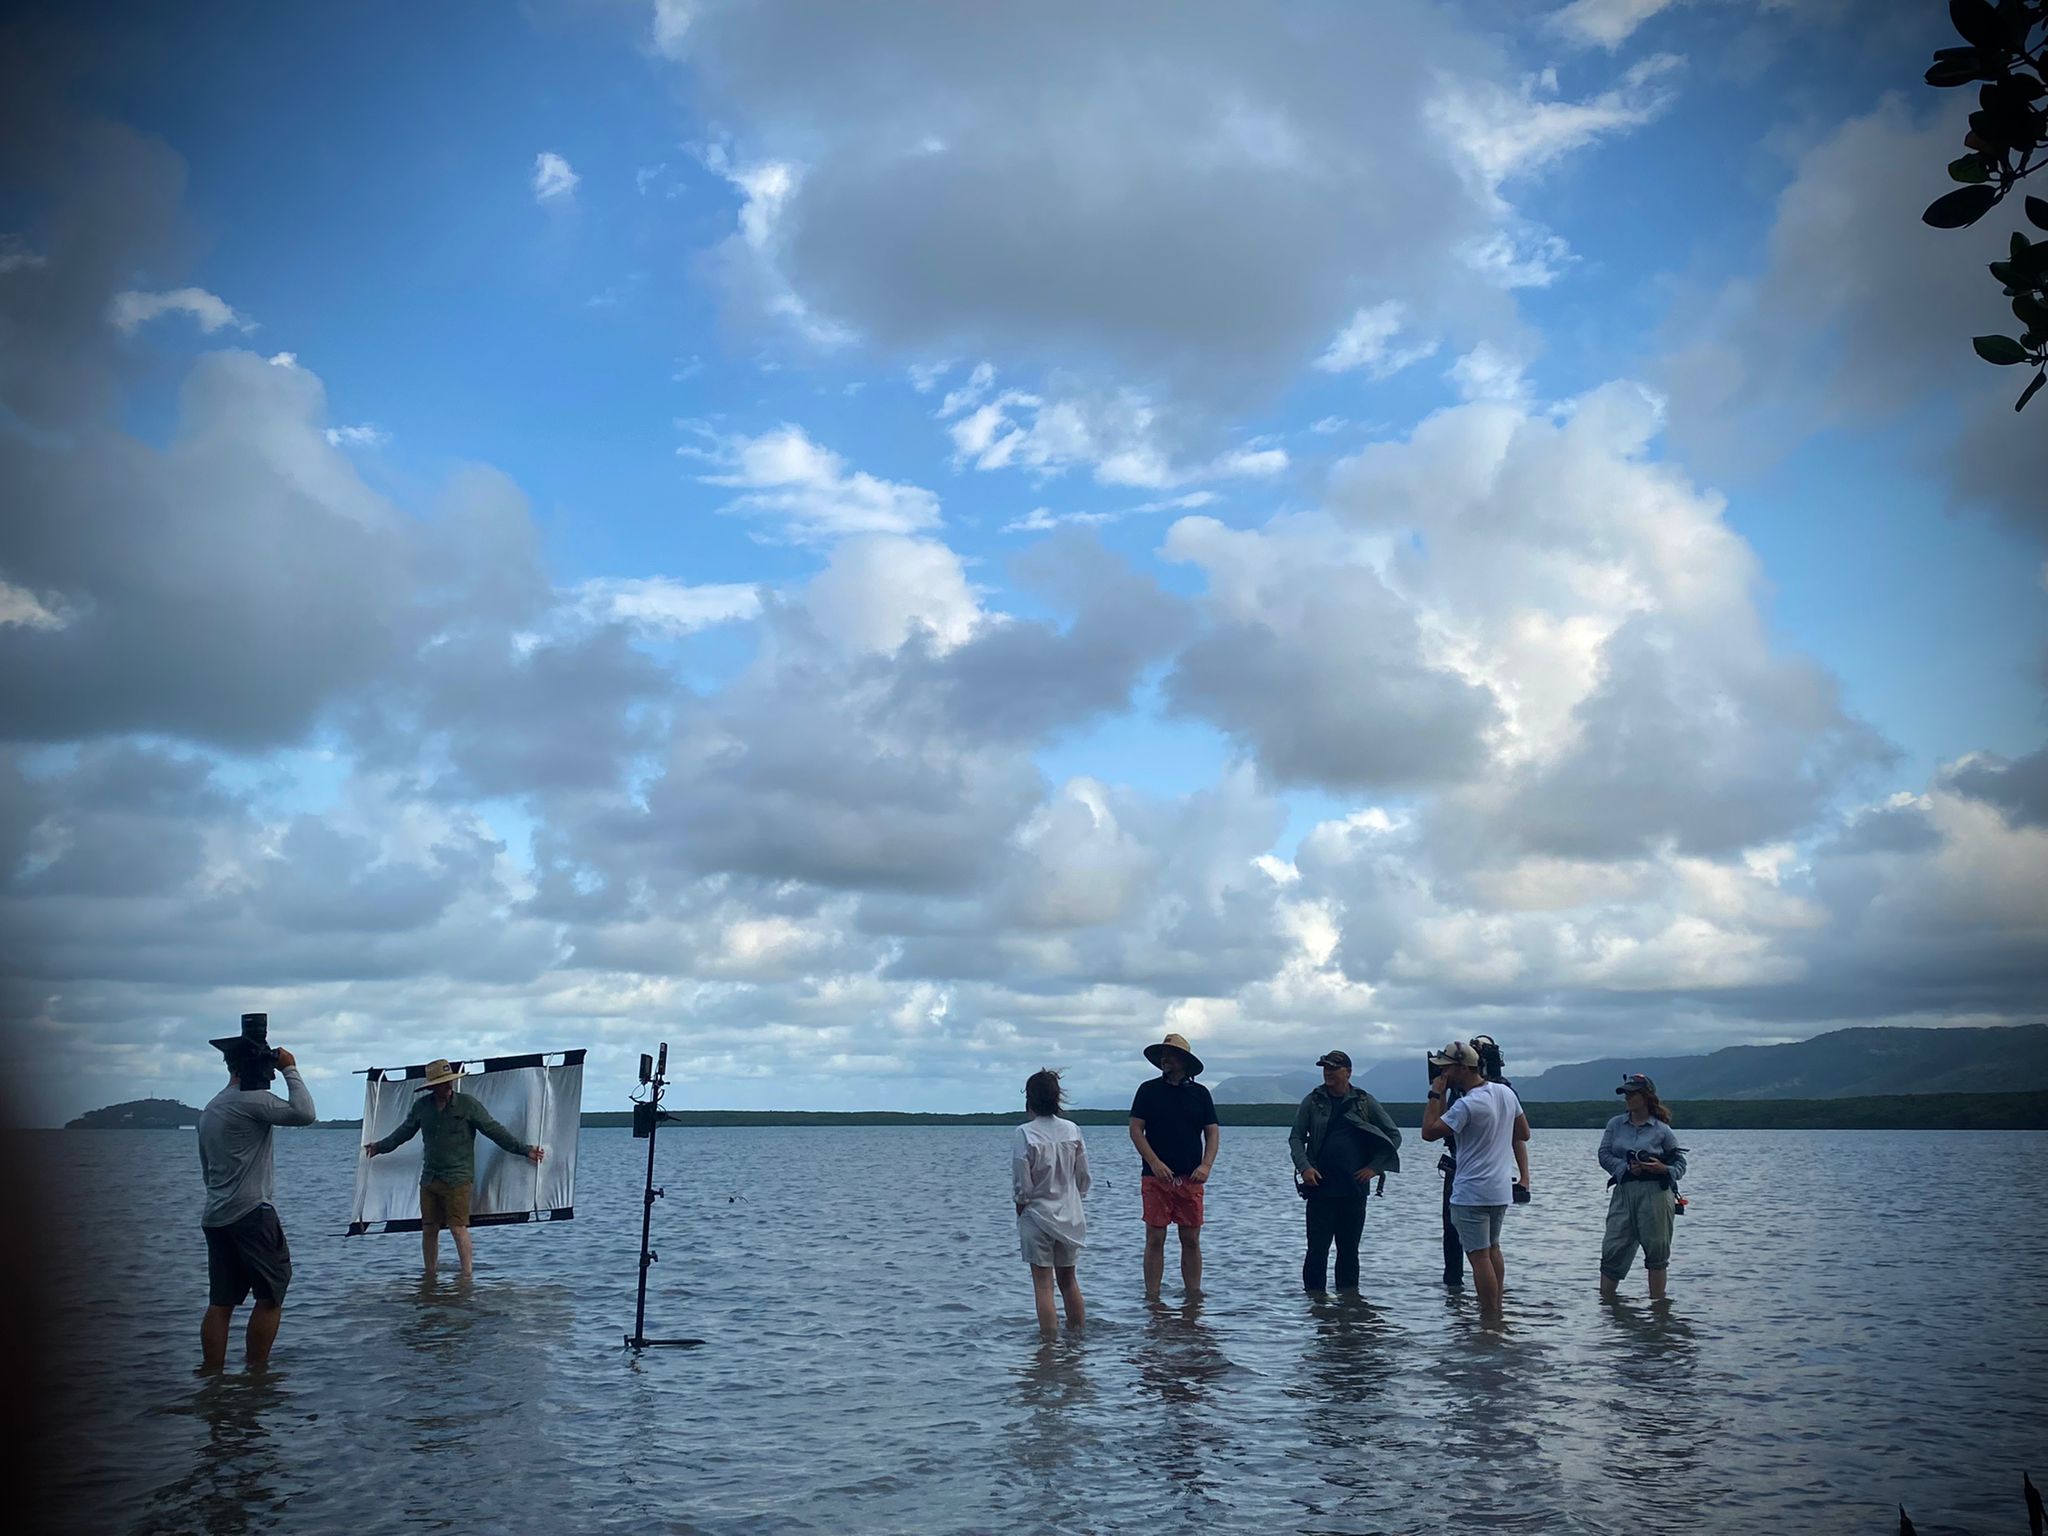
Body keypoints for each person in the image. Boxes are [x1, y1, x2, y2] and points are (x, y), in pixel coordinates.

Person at [197, 1013, 316, 1371]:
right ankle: (256, 1374)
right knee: (270, 1296)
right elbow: (304, 1113)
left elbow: (205, 1170)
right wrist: (290, 1069)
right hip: (251, 1213)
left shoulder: (212, 1109)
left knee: (221, 1303)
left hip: (216, 1216)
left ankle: (212, 1376)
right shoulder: (251, 1102)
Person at [363, 1058, 545, 1276]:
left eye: (449, 1081)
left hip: (458, 1178)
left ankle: (466, 1276)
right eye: (442, 1083)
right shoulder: (422, 1107)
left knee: (458, 1228)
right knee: (429, 1229)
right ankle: (430, 1274)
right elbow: (403, 1132)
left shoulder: (468, 1105)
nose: (447, 1086)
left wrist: (525, 1149)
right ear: (432, 1086)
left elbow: (494, 1130)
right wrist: (379, 1147)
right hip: (430, 1178)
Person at [1421, 1039, 1530, 1317]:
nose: (1443, 1074)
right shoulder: (1504, 1093)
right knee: (1493, 1249)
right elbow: (1523, 1133)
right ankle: (1498, 1311)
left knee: (1479, 1257)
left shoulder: (1468, 1104)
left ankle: (1489, 1316)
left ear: (1461, 1068)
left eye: (1446, 1068)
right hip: (1499, 1188)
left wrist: (1435, 1094)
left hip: (1471, 1191)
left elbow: (1429, 1132)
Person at [1287, 1050, 1401, 1296]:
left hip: (1354, 1190)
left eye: (1333, 1068)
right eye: (1325, 1068)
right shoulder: (1312, 1101)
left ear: (1348, 1072)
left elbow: (1393, 1135)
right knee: (1316, 1251)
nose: (1327, 1072)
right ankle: (1315, 1306)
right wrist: (1305, 1167)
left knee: (1349, 1251)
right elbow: (1296, 1137)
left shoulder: (1364, 1101)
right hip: (1320, 1189)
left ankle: (1349, 1308)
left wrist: (1375, 1167)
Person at [1128, 1031, 1219, 1302]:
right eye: (1163, 1056)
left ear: (1184, 1061)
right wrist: (1154, 1162)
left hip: (1191, 1177)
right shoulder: (1148, 1090)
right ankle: (1152, 1297)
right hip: (1155, 1178)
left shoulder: (1200, 1094)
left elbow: (1212, 1132)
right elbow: (1135, 1130)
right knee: (1155, 1238)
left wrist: (1206, 1165)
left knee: (1190, 1239)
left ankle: (1193, 1294)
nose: (1166, 1060)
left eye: (1172, 1055)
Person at [1597, 1073, 1688, 1301]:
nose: (1627, 1098)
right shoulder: (1615, 1125)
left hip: (1656, 1194)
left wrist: (1662, 1169)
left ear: (1646, 1096)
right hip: (1624, 1191)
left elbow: (1680, 1163)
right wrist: (1625, 1168)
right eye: (1626, 1094)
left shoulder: (1662, 1130)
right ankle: (1606, 1307)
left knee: (1657, 1252)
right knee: (1613, 1248)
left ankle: (1658, 1306)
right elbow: (1604, 1155)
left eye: (1632, 1093)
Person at [1013, 1068, 1090, 1334]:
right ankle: (1077, 1339)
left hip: (1037, 1215)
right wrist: (1072, 1199)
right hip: (1070, 1215)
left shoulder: (1025, 1133)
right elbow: (1083, 1178)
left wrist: (1021, 1209)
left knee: (1043, 1284)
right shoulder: (1072, 1130)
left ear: (1030, 1100)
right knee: (1069, 1281)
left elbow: (1022, 1185)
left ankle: (1048, 1347)